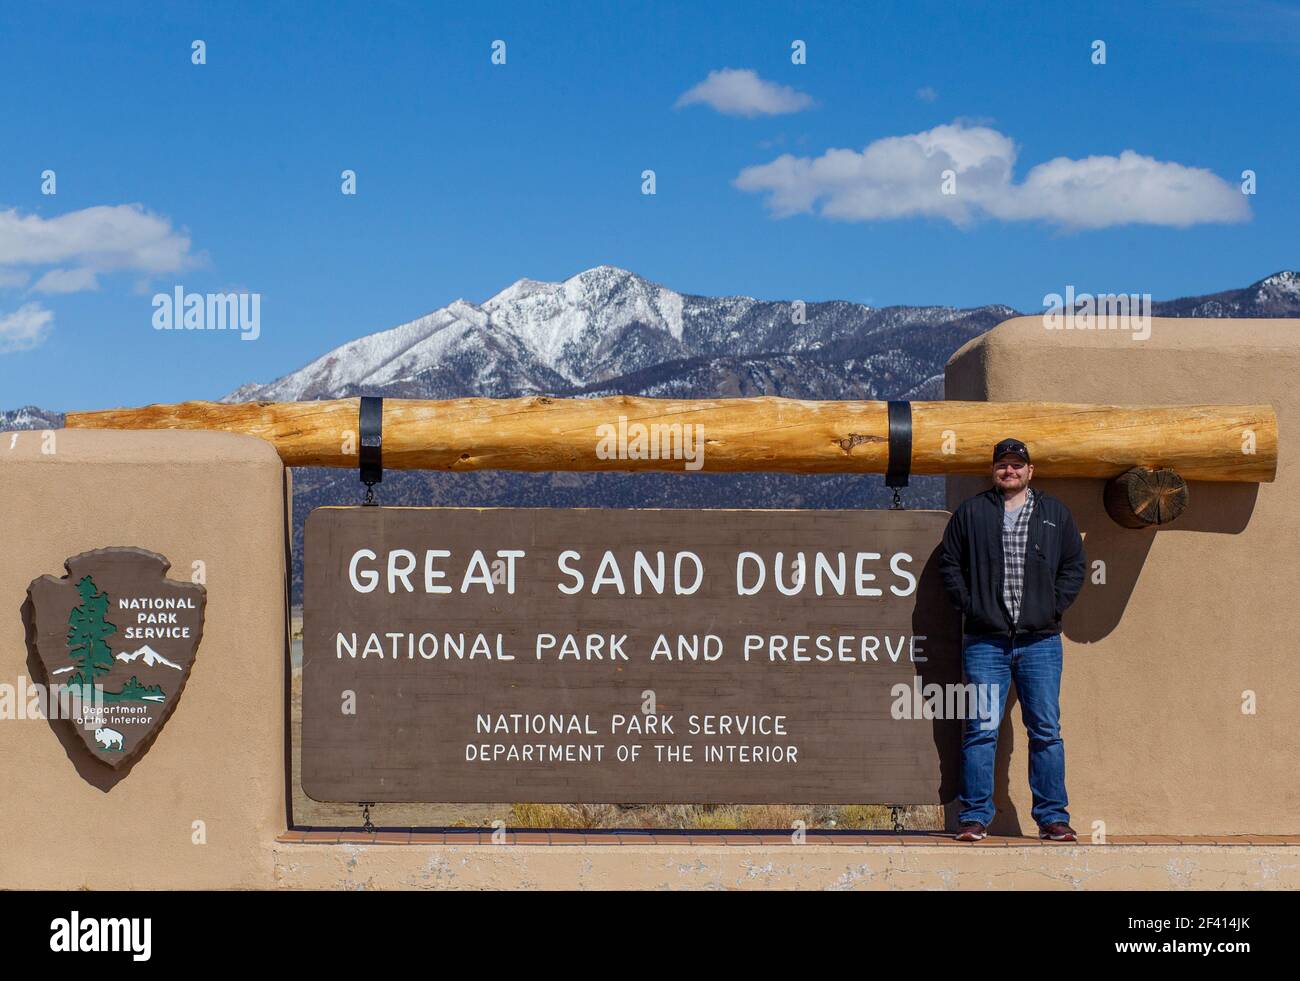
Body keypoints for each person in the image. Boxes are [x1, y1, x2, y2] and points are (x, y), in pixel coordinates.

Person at [938, 438, 1086, 842]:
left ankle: (1053, 817)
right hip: (986, 641)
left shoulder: (1054, 513)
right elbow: (949, 563)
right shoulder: (972, 513)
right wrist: (970, 605)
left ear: (1030, 471)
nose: (1010, 471)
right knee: (981, 729)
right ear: (993, 471)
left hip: (1040, 642)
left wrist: (1053, 606)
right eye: (1002, 465)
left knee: (1045, 730)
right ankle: (974, 817)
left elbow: (1075, 564)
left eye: (1017, 465)